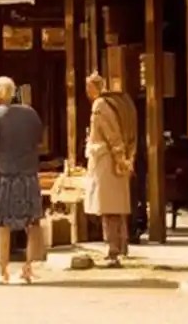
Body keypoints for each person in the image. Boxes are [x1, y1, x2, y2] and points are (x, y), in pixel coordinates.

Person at [0, 76, 43, 284]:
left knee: (2, 223)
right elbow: (39, 139)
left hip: (3, 175)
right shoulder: (30, 114)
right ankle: (28, 268)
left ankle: (2, 270)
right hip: (28, 175)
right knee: (32, 222)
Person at [83, 73, 137, 265]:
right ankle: (121, 245)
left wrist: (119, 156)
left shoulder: (100, 105)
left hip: (107, 160)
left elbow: (110, 132)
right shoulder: (119, 103)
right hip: (116, 158)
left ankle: (113, 248)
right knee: (116, 206)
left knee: (109, 207)